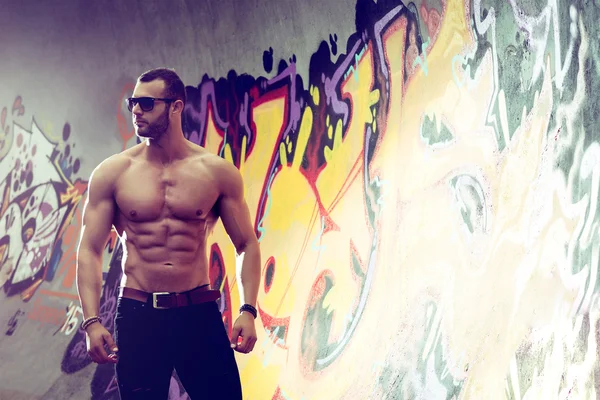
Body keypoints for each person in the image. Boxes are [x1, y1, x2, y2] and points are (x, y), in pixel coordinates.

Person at [75, 68, 261, 399]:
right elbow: (89, 249)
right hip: (138, 316)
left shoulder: (215, 172)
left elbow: (245, 243)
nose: (136, 111)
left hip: (197, 313)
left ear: (175, 107)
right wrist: (91, 322)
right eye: (133, 103)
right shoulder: (113, 173)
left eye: (146, 104)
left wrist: (248, 310)